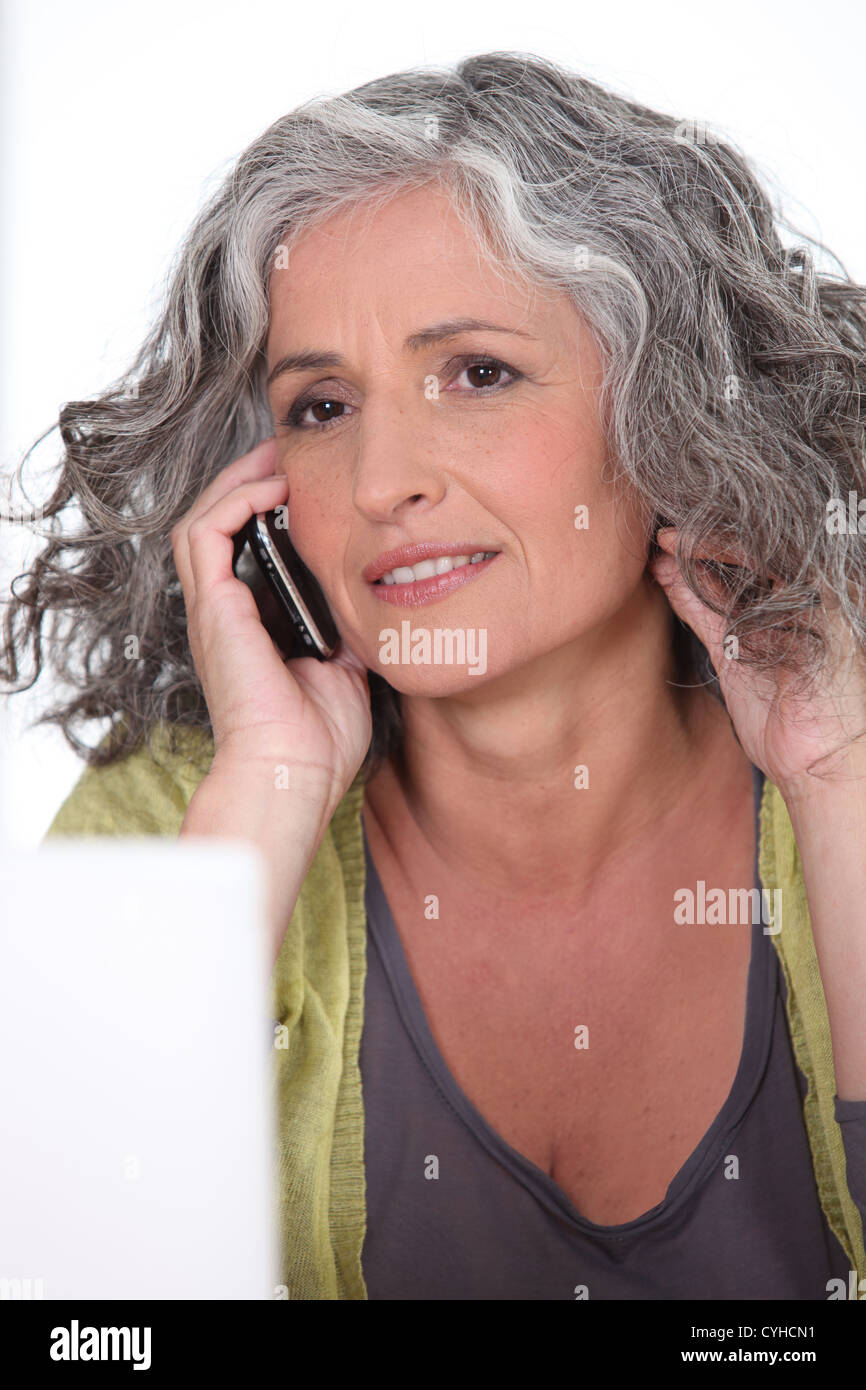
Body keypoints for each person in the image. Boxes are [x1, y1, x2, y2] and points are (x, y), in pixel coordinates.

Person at [4, 51, 866, 1300]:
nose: (377, 483)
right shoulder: (174, 831)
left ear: (667, 415)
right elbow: (71, 1314)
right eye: (318, 406)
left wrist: (838, 780)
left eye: (475, 373)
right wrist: (272, 788)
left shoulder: (842, 748)